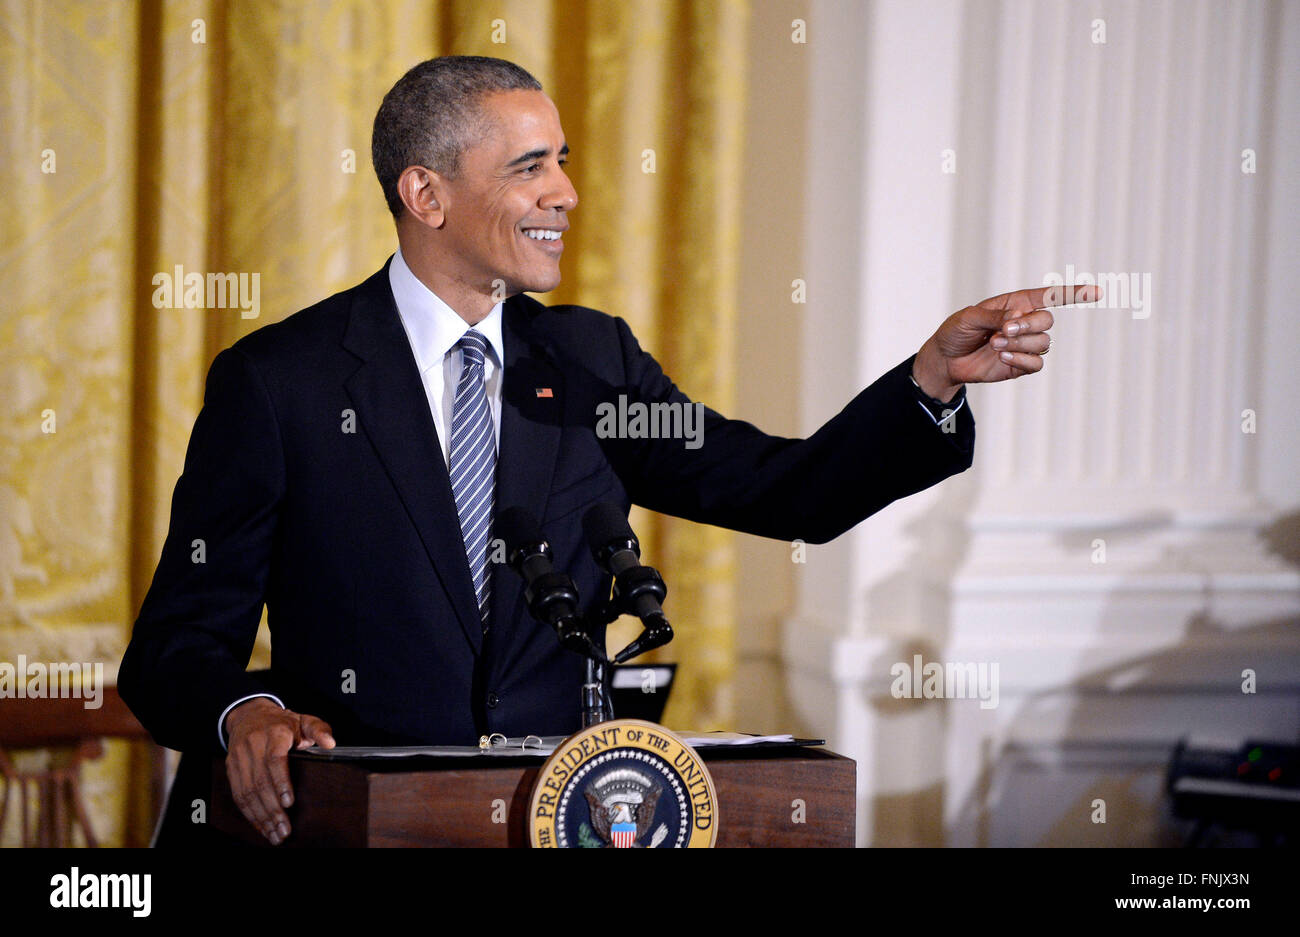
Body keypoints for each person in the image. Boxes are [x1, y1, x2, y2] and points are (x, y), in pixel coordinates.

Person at [118, 56, 1098, 846]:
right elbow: (174, 649)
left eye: (564, 160)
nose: (568, 192)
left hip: (557, 820)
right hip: (352, 828)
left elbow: (786, 491)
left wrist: (927, 379)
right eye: (529, 166)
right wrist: (246, 711)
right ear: (426, 193)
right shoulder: (281, 381)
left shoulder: (592, 362)